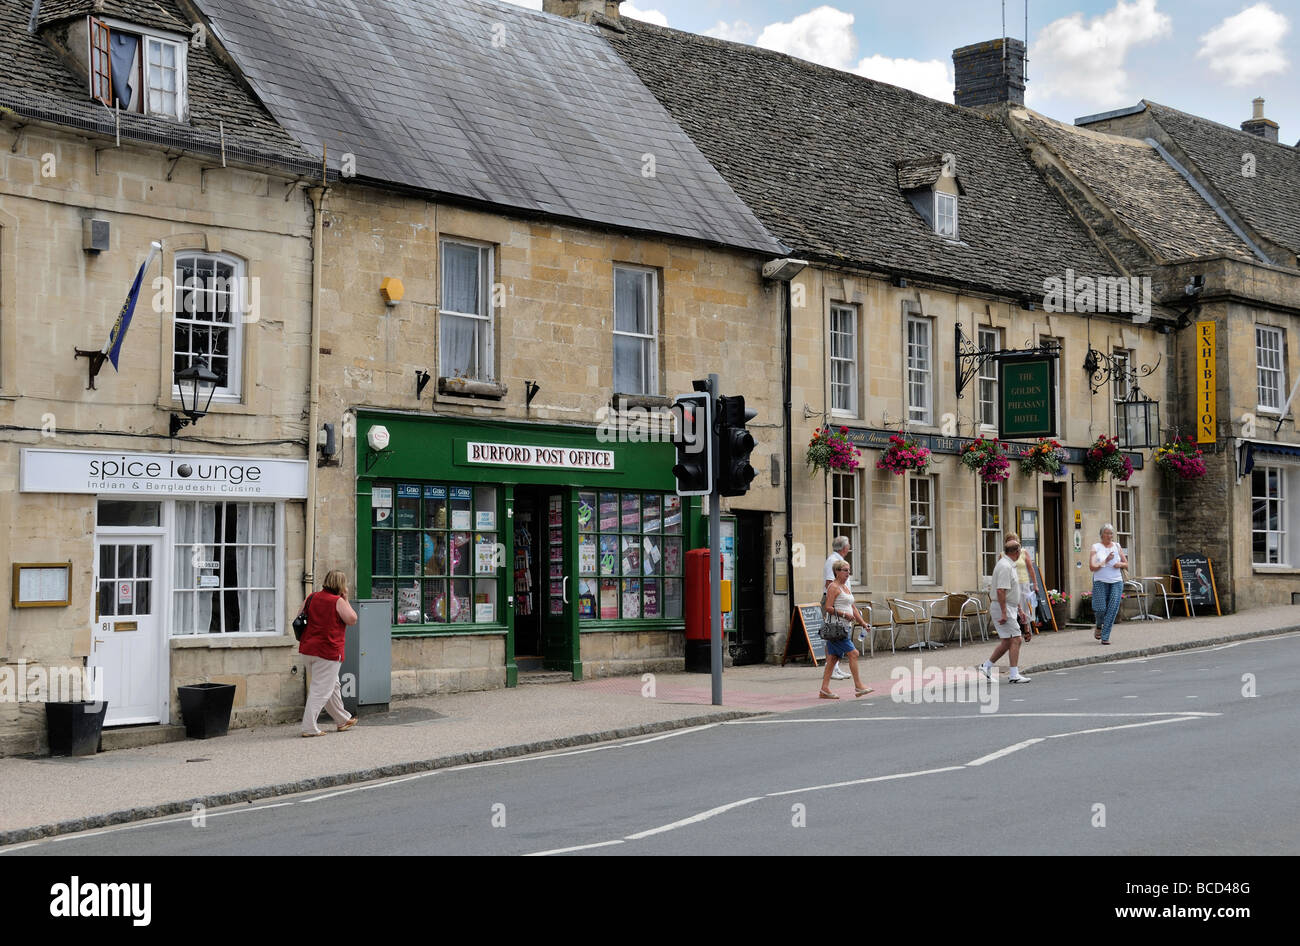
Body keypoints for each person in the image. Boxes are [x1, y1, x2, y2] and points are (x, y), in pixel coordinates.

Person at [299, 569, 360, 737]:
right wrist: (346, 599)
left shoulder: (311, 597)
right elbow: (352, 619)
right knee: (321, 689)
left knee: (332, 685)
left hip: (308, 650)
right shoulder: (337, 601)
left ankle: (342, 719)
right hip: (328, 652)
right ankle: (308, 727)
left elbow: (299, 617)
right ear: (341, 585)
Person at [978, 538, 1031, 684]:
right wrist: (1003, 612)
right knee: (1017, 639)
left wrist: (1019, 609)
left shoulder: (1009, 565)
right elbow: (1000, 591)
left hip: (1009, 606)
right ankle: (1014, 674)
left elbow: (1011, 590)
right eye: (1020, 550)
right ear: (1016, 552)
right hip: (1003, 606)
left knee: (1007, 641)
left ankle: (986, 666)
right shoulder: (1005, 566)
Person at [819, 561, 873, 699]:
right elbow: (828, 608)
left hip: (845, 628)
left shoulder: (845, 587)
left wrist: (862, 623)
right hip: (836, 629)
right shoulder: (833, 587)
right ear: (837, 571)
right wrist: (844, 614)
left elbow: (853, 607)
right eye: (845, 570)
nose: (848, 573)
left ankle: (824, 690)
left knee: (833, 658)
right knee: (853, 653)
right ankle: (858, 686)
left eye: (849, 570)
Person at [1090, 524, 1128, 645]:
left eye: (1111, 533)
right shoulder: (1095, 547)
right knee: (1100, 609)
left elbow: (1126, 563)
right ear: (1102, 535)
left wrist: (1120, 564)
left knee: (1112, 609)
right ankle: (1098, 625)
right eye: (1107, 533)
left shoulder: (1117, 546)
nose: (1109, 536)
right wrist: (1106, 560)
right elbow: (1092, 567)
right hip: (1100, 581)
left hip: (1116, 581)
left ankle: (1105, 637)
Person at [823, 537, 854, 679]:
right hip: (835, 602)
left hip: (842, 601)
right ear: (844, 548)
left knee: (837, 637)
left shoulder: (839, 559)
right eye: (848, 545)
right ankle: (831, 669)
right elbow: (830, 583)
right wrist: (838, 607)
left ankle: (834, 668)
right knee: (833, 635)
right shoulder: (833, 561)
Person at [1005, 532, 1036, 641]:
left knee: (1024, 607)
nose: (1013, 542)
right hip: (1011, 584)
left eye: (1014, 540)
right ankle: (1013, 632)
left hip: (1023, 582)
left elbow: (1031, 569)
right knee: (1012, 607)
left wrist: (1035, 584)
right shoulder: (1003, 555)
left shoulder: (1024, 552)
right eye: (1010, 540)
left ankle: (1026, 629)